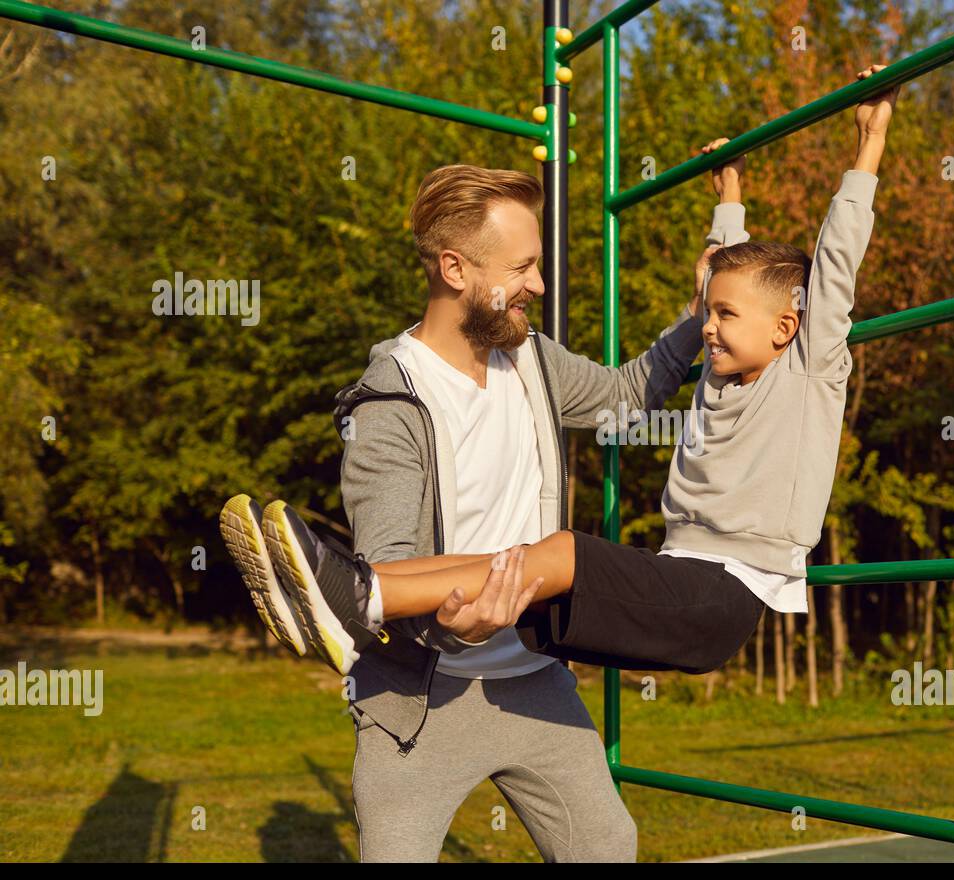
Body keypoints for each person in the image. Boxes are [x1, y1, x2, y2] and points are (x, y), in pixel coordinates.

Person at [233, 64, 899, 686]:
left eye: (726, 317)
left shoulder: (806, 370)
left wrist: (869, 140)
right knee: (509, 566)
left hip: (724, 596)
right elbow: (715, 279)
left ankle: (362, 598)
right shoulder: (719, 374)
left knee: (560, 551)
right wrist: (729, 193)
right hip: (679, 582)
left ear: (789, 327)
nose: (709, 327)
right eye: (710, 317)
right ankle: (356, 587)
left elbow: (834, 265)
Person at [219, 136, 756, 861]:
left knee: (606, 846)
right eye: (523, 268)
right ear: (453, 269)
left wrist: (710, 319)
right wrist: (460, 627)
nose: (539, 285)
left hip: (533, 681)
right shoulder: (389, 407)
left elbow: (625, 397)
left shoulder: (530, 359)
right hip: (420, 702)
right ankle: (337, 588)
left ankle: (336, 585)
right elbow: (401, 565)